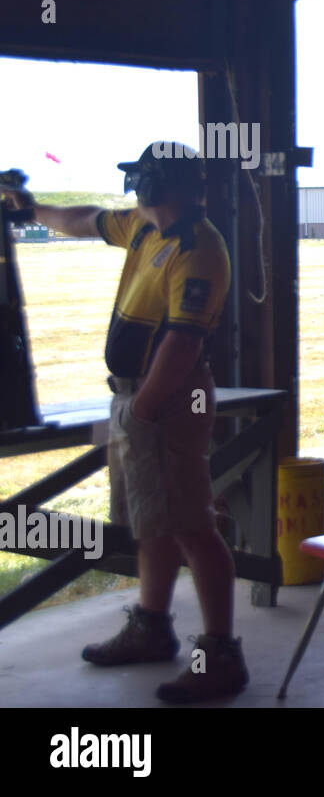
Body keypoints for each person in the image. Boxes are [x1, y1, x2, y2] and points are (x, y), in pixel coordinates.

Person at [2, 144, 243, 703]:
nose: (138, 188)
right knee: (152, 520)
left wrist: (143, 409)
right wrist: (31, 209)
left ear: (161, 183)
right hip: (142, 397)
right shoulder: (143, 227)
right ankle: (152, 627)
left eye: (144, 179)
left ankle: (221, 655)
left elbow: (184, 341)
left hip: (167, 397)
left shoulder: (197, 245)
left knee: (193, 527)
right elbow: (85, 220)